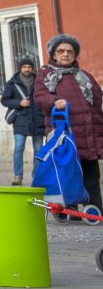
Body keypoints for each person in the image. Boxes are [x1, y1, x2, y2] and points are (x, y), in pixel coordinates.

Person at [34, 34, 103, 211]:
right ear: (54, 54)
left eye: (70, 51)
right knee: (67, 173)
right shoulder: (45, 75)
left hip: (89, 136)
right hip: (64, 135)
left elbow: (97, 100)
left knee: (91, 175)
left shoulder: (84, 76)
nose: (65, 54)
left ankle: (94, 208)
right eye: (61, 51)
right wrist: (54, 101)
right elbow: (40, 97)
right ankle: (69, 209)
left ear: (75, 54)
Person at [1, 58, 45, 185]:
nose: (27, 69)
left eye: (29, 67)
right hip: (20, 119)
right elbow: (4, 100)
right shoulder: (12, 83)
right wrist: (19, 103)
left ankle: (37, 175)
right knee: (19, 148)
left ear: (33, 68)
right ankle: (17, 175)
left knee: (38, 149)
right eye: (24, 67)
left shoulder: (39, 82)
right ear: (20, 68)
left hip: (38, 119)